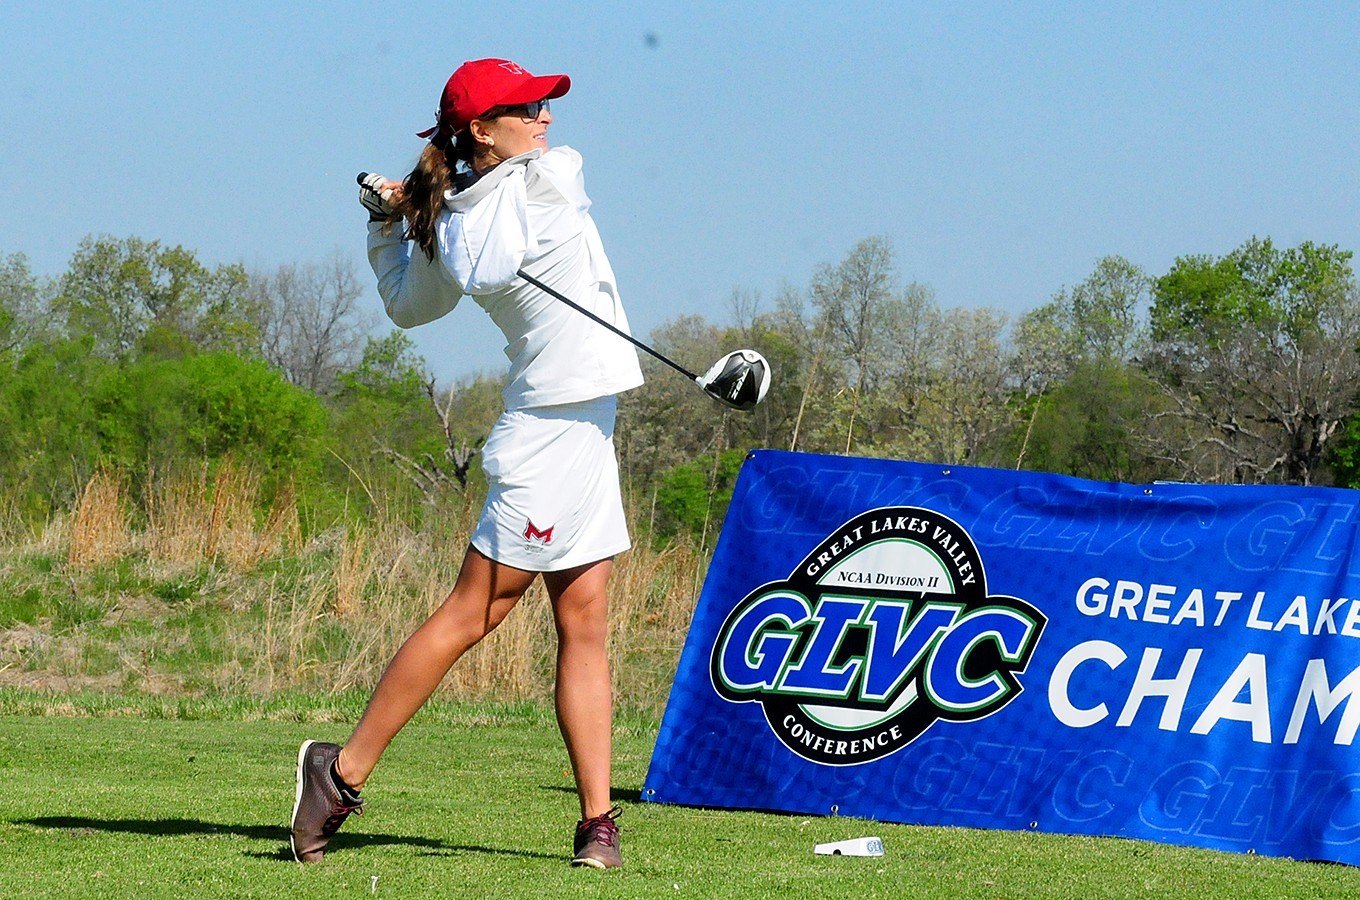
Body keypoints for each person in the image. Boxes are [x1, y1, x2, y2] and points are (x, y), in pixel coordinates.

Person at [290, 57, 643, 870]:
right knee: (471, 616)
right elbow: (416, 305)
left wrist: (424, 207)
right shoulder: (472, 218)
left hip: (591, 426)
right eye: (528, 108)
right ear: (484, 128)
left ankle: (597, 824)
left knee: (584, 620)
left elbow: (498, 225)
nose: (548, 119)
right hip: (542, 435)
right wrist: (393, 228)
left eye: (546, 103)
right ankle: (337, 776)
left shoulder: (541, 176)